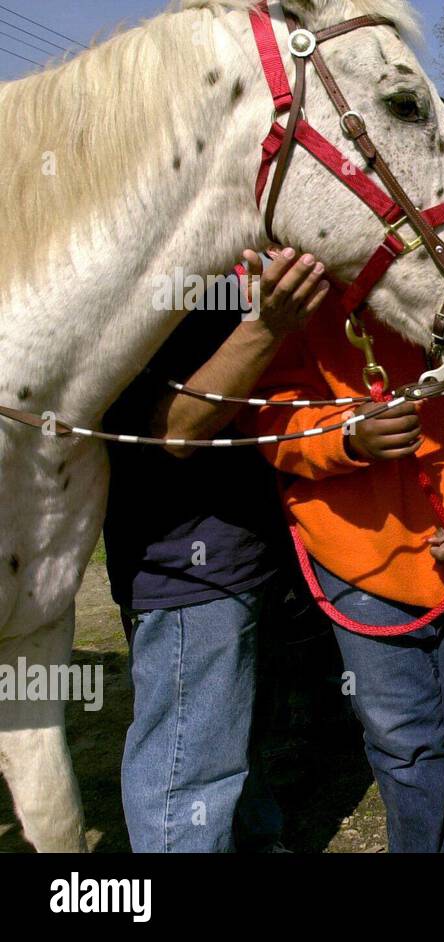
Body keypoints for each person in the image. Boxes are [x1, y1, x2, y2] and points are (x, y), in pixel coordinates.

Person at [244, 246, 444, 852]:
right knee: (402, 746)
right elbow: (269, 407)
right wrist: (343, 437)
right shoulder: (307, 286)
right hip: (361, 561)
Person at [103, 248, 329, 852]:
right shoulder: (155, 281)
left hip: (249, 557)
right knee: (188, 775)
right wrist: (268, 325)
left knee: (238, 749)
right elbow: (174, 429)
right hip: (189, 572)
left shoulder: (228, 272)